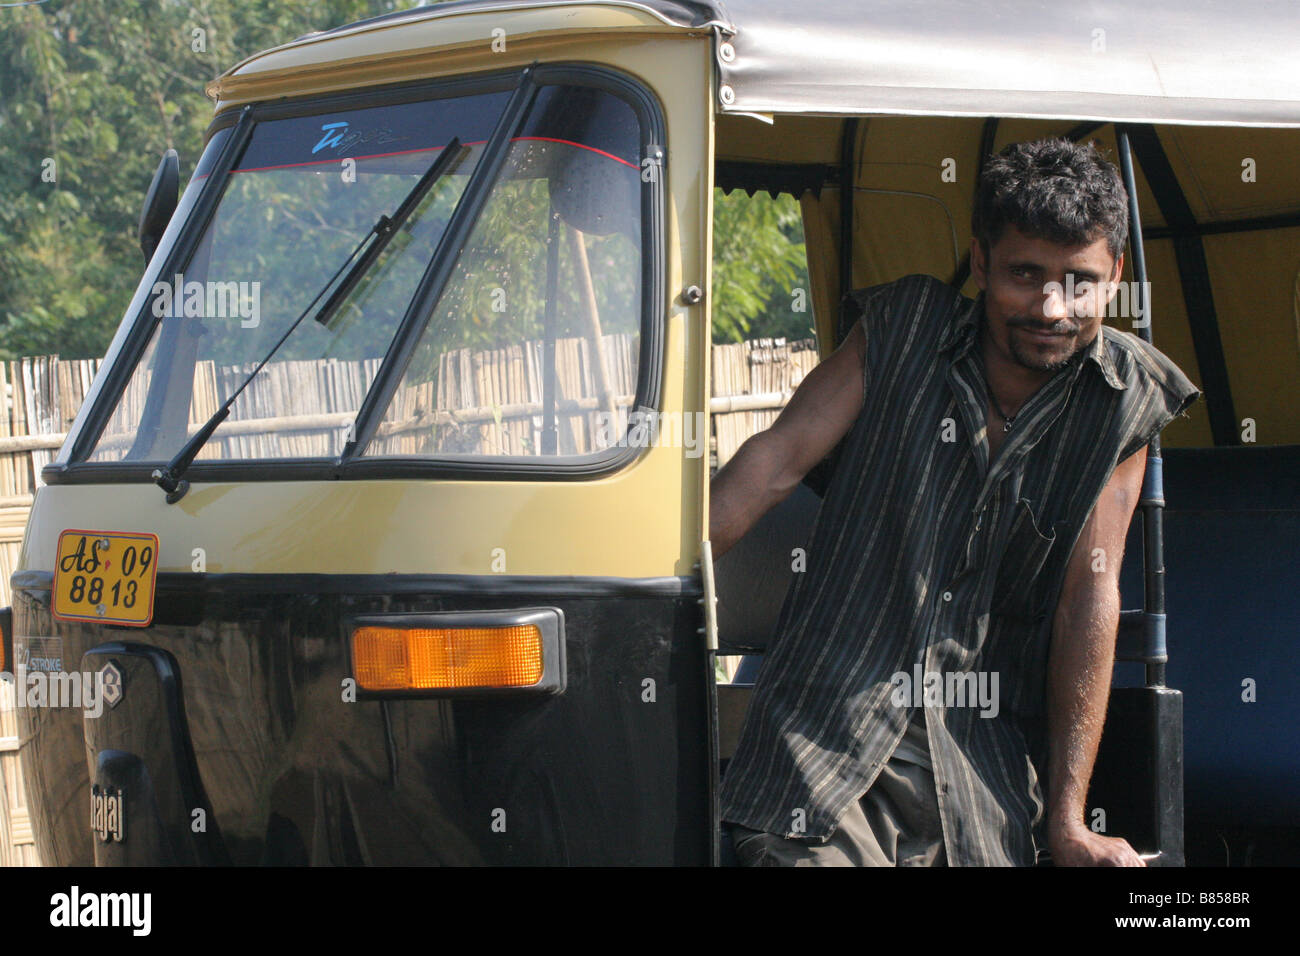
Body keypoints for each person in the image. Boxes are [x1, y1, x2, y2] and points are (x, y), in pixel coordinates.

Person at [712, 138, 1200, 867]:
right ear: (980, 263)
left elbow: (1088, 597)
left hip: (983, 774)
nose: (1051, 307)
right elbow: (776, 463)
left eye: (1080, 281)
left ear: (1115, 278)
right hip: (820, 753)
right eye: (1025, 275)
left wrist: (1068, 822)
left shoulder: (1121, 400)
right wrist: (637, 575)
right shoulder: (904, 327)